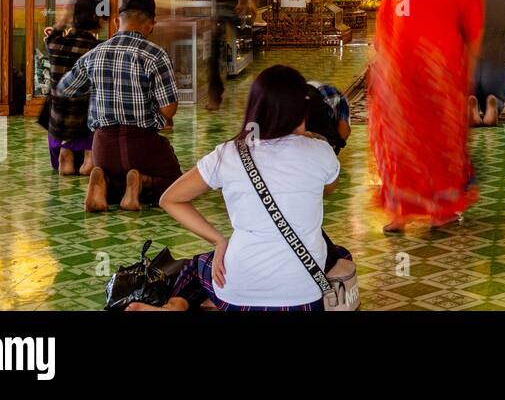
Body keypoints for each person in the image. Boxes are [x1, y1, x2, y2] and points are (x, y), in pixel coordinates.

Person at [131, 66, 353, 311]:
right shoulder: (320, 152)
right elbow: (328, 188)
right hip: (304, 300)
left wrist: (218, 241)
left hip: (238, 297)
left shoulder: (229, 153)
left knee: (199, 264)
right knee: (339, 255)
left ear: (255, 107)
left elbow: (170, 199)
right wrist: (307, 139)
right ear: (303, 109)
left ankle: (176, 305)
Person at [368, 0, 482, 232]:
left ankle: (399, 213)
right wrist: (467, 80)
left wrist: (384, 69)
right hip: (440, 78)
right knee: (440, 146)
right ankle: (439, 210)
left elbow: (384, 26)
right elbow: (474, 36)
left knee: (400, 144)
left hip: (398, 78)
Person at [57, 0, 181, 214]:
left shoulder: (94, 54)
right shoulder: (156, 55)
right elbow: (168, 109)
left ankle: (103, 180)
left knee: (115, 173)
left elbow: (65, 90)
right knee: (173, 180)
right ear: (151, 25)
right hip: (143, 144)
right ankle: (141, 182)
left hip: (102, 148)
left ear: (116, 21)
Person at [39, 0, 104, 176]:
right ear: (96, 18)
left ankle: (65, 153)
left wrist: (66, 15)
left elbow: (54, 32)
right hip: (84, 123)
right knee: (92, 99)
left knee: (59, 99)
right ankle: (89, 155)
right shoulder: (97, 48)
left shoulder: (55, 44)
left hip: (58, 124)